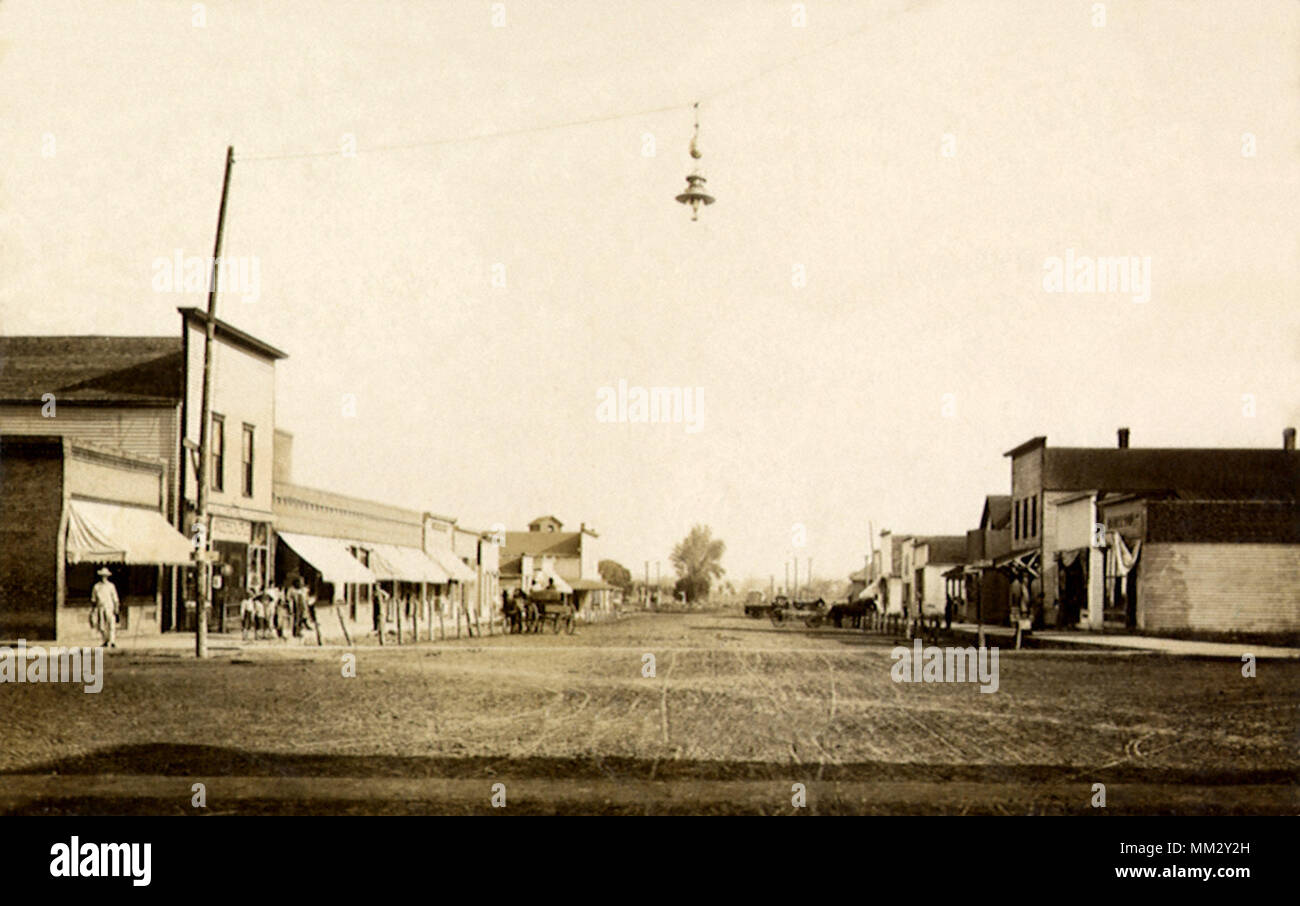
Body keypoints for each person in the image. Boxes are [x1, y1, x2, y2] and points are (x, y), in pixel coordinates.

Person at [90, 567, 120, 648]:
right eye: (102, 576)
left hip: (110, 607)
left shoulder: (111, 586)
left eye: (105, 576)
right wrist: (93, 610)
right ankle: (105, 640)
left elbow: (115, 598)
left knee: (111, 624)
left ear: (107, 577)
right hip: (100, 607)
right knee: (102, 625)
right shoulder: (96, 587)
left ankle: (112, 641)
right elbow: (93, 599)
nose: (104, 577)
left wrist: (116, 608)